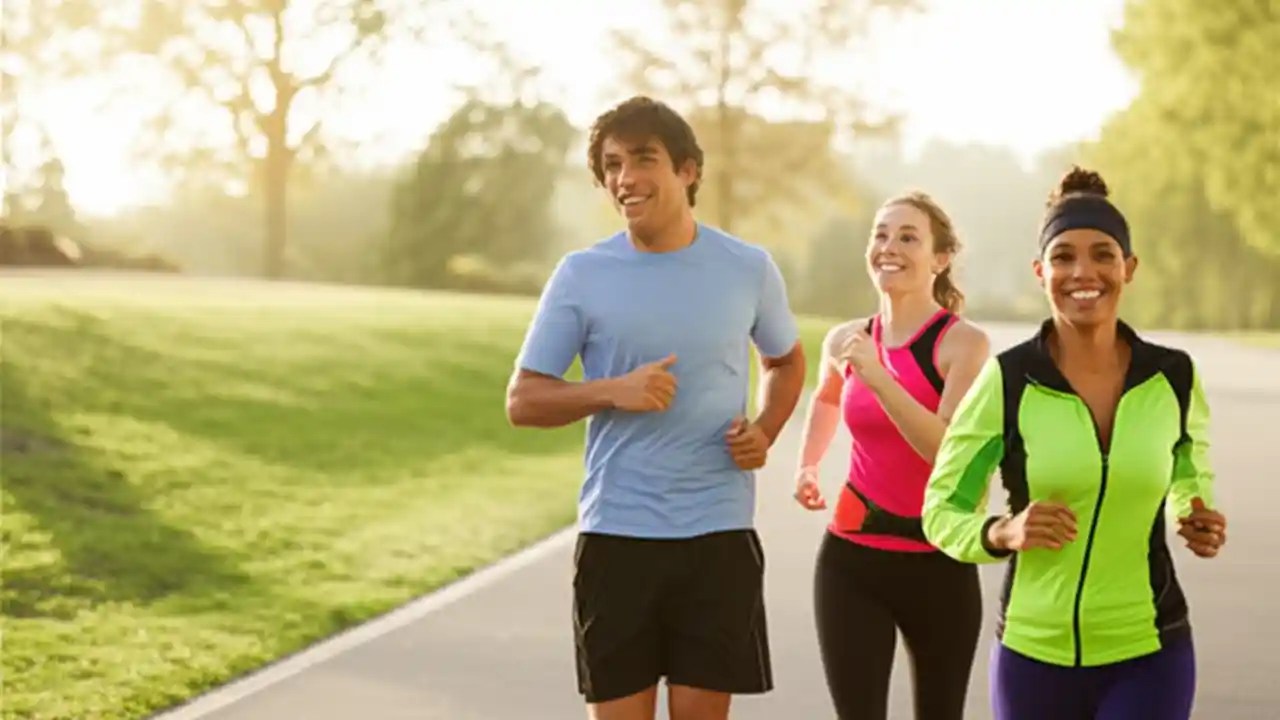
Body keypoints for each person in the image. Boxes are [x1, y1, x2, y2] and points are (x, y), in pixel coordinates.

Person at [505, 95, 806, 720]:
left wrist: (766, 429)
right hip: (618, 537)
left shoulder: (747, 268)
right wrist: (609, 390)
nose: (625, 178)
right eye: (612, 164)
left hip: (717, 536)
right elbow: (524, 399)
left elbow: (784, 361)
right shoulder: (582, 274)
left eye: (644, 158)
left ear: (688, 171)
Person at [921, 166, 1228, 720]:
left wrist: (1194, 509)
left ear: (1129, 267)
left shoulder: (1173, 377)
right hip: (1033, 655)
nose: (1083, 271)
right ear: (1040, 271)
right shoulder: (1008, 380)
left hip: (1149, 648)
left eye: (1103, 254)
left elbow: (1188, 463)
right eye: (1063, 256)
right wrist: (1001, 531)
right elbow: (940, 510)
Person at [792, 190, 992, 719]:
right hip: (852, 559)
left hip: (939, 562)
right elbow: (828, 397)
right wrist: (808, 464)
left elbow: (945, 448)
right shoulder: (846, 340)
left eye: (908, 237)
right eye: (880, 234)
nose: (889, 247)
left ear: (940, 258)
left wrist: (880, 379)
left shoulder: (963, 345)